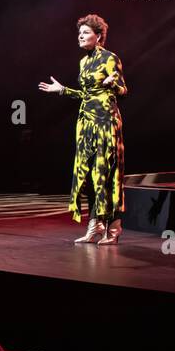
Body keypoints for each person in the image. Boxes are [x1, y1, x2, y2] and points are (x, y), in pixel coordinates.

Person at [38, 13, 128, 245]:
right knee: (87, 174)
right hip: (86, 121)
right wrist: (62, 90)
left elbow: (123, 89)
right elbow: (86, 94)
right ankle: (95, 226)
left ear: (98, 36)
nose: (81, 35)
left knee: (106, 173)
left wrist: (113, 83)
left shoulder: (110, 58)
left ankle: (114, 228)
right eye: (80, 32)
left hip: (106, 120)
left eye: (86, 32)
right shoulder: (84, 62)